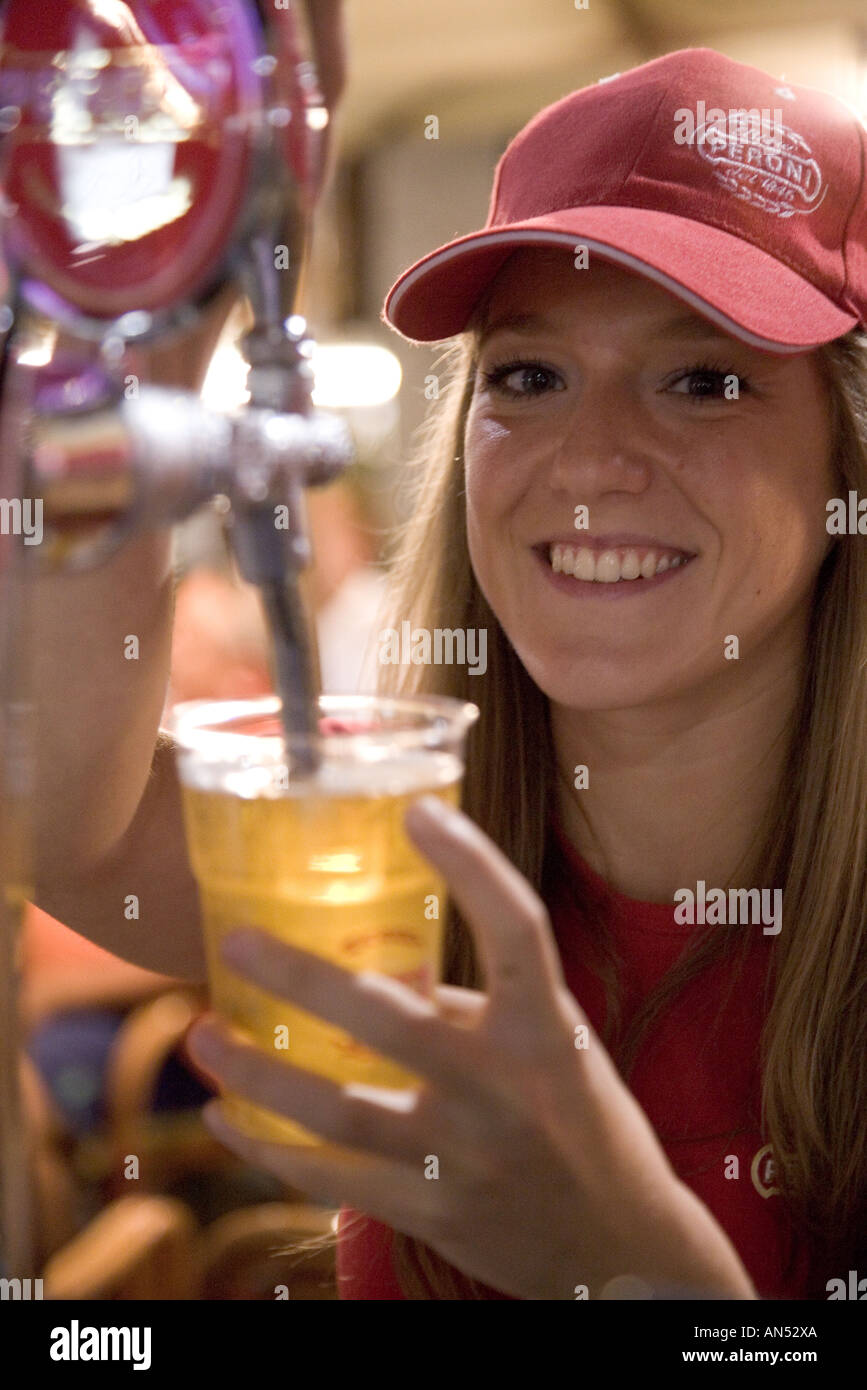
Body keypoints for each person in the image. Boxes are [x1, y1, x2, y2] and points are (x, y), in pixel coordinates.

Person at [35, 45, 867, 1299]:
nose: (587, 463)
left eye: (703, 379)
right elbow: (57, 817)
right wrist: (158, 320)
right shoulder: (394, 844)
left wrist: (624, 1258)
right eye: (527, 377)